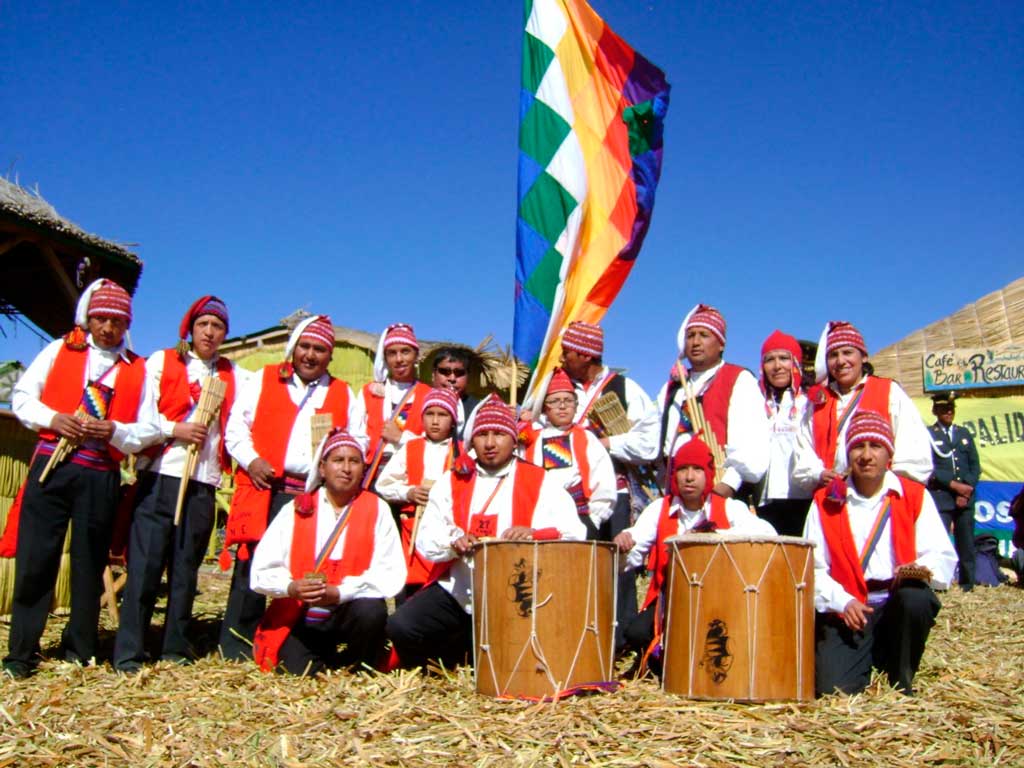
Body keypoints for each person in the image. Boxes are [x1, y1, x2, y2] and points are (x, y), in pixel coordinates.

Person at [3, 279, 161, 678]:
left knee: (90, 563)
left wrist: (115, 431)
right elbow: (22, 396)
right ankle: (21, 653)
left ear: (127, 325)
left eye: (117, 321)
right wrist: (54, 418)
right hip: (51, 466)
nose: (108, 327)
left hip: (99, 473)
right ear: (89, 319)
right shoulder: (61, 350)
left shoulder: (138, 369)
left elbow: (150, 427)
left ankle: (80, 649)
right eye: (101, 318)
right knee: (36, 559)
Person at [386, 395, 586, 670]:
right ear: (472, 442)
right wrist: (453, 543)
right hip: (461, 592)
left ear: (514, 440)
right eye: (482, 435)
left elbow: (574, 533)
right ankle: (444, 665)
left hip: (517, 596)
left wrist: (534, 534)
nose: (490, 443)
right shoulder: (452, 480)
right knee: (402, 625)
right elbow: (427, 537)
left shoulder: (541, 481)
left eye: (499, 434)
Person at [219, 314, 365, 661]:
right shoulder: (264, 379)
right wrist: (252, 460)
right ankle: (237, 644)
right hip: (265, 486)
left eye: (319, 349)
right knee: (253, 562)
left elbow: (359, 440)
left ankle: (293, 644)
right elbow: (236, 428)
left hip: (312, 492)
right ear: (293, 349)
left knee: (306, 566)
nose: (310, 355)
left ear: (330, 356)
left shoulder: (343, 393)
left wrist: (334, 471)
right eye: (305, 347)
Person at [114, 296, 240, 672]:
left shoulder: (233, 375)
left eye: (217, 327)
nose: (210, 332)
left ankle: (175, 649)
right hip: (160, 475)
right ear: (190, 328)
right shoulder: (162, 362)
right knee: (145, 566)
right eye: (204, 325)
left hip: (202, 482)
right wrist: (176, 428)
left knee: (185, 569)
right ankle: (130, 652)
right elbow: (143, 415)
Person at [804, 410, 956, 696]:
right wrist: (842, 602)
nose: (866, 455)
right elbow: (813, 567)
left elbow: (941, 553)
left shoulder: (913, 495)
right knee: (834, 690)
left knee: (915, 599)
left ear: (889, 454)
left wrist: (918, 568)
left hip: (895, 600)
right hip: (850, 608)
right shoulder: (825, 500)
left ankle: (900, 675)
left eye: (875, 446)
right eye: (858, 447)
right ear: (848, 454)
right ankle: (868, 655)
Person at [249, 429, 405, 675]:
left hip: (351, 605)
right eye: (338, 460)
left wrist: (341, 592)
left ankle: (357, 661)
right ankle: (324, 658)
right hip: (304, 609)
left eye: (354, 461)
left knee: (371, 612)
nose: (346, 468)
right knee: (295, 669)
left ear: (363, 469)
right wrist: (291, 587)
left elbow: (389, 572)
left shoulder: (378, 509)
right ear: (322, 468)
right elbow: (262, 569)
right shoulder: (296, 508)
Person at [615, 437, 776, 667]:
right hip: (673, 599)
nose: (689, 477)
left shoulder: (730, 508)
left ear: (708, 474)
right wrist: (623, 547)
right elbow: (630, 555)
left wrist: (712, 536)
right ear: (674, 475)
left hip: (721, 599)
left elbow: (767, 532)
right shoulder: (659, 509)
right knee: (637, 633)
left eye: (697, 469)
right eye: (683, 469)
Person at [555, 320, 659, 649]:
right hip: (568, 496)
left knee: (618, 563)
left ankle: (621, 641)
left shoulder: (625, 390)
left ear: (585, 355)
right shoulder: (557, 387)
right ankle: (577, 635)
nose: (562, 358)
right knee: (576, 565)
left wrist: (605, 443)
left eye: (568, 352)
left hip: (615, 492)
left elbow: (650, 443)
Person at [793, 320, 932, 493]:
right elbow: (804, 449)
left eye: (847, 352)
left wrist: (890, 487)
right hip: (831, 496)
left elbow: (912, 445)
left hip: (881, 496)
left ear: (864, 356)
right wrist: (818, 473)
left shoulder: (889, 392)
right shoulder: (819, 402)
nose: (840, 361)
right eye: (833, 355)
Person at [657, 304, 770, 500]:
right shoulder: (673, 388)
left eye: (704, 335)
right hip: (677, 491)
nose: (695, 342)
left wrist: (728, 484)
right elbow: (660, 440)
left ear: (721, 344)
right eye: (690, 336)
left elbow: (752, 440)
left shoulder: (739, 379)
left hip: (722, 489)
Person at [375, 387, 467, 597]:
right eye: (430, 414)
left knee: (445, 579)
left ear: (453, 420)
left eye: (442, 415)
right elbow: (384, 484)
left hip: (448, 527)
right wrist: (409, 493)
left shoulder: (462, 451)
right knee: (414, 584)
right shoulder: (410, 447)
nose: (435, 421)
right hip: (414, 528)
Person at [518, 368, 617, 539]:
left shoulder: (587, 438)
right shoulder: (530, 439)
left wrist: (593, 519)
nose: (562, 406)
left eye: (568, 400)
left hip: (581, 519)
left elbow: (603, 480)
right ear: (544, 408)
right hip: (538, 520)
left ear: (576, 406)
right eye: (554, 401)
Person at [755, 330, 812, 536]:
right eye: (770, 359)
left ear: (796, 363)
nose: (777, 366)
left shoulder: (810, 401)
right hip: (766, 499)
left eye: (784, 358)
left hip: (803, 497)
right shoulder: (756, 402)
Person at [360, 323, 433, 482]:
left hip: (409, 474)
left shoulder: (429, 395)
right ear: (385, 358)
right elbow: (357, 435)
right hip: (370, 474)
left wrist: (401, 438)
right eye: (392, 353)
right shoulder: (369, 392)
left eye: (405, 352)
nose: (399, 359)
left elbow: (435, 444)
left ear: (416, 355)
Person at [926, 392, 981, 591]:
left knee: (966, 543)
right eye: (944, 409)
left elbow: (975, 465)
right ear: (935, 410)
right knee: (939, 544)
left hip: (965, 498)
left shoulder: (963, 433)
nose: (948, 412)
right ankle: (940, 582)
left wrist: (965, 490)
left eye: (951, 409)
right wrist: (953, 486)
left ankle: (968, 584)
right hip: (942, 497)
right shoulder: (929, 435)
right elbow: (929, 468)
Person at [430, 346, 481, 440]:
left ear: (468, 376)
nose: (452, 378)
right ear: (433, 374)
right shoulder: (417, 403)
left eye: (459, 373)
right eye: (445, 371)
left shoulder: (479, 410)